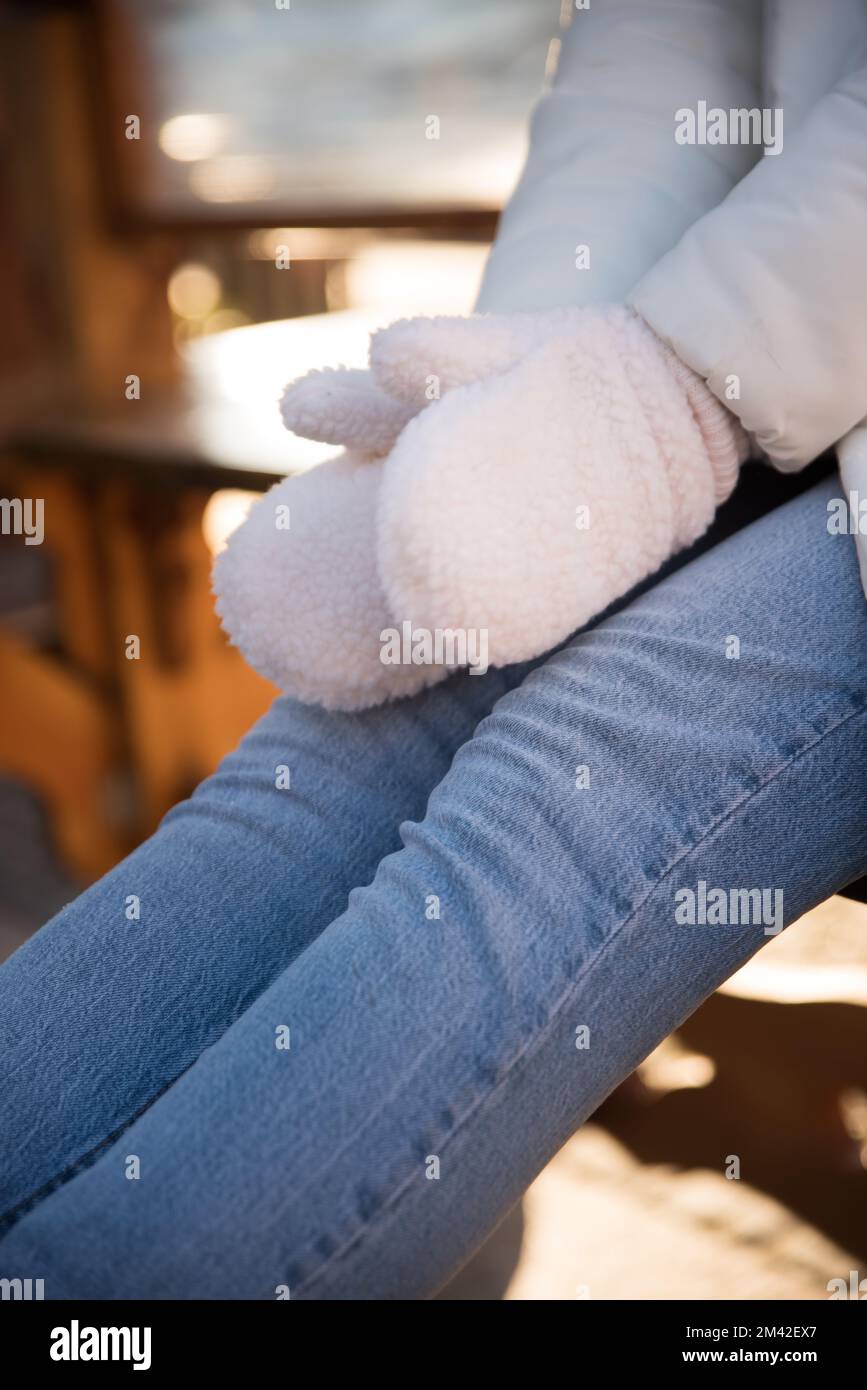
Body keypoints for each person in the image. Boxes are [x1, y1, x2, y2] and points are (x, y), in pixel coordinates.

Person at [1, 0, 867, 1299]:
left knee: (568, 791)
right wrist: (515, 410)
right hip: (751, 325)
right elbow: (655, 61)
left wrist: (675, 381)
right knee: (310, 770)